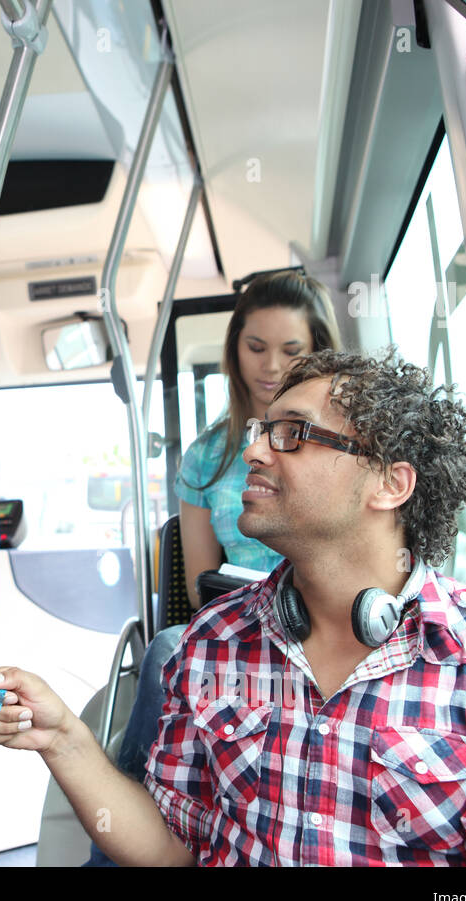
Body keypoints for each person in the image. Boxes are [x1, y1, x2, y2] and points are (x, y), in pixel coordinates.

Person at [0, 350, 466, 865]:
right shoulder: (211, 642)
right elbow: (174, 848)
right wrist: (65, 739)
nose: (253, 452)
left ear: (390, 484)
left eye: (292, 435)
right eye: (259, 431)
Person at [114, 271, 340, 782]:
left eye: (291, 349)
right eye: (256, 347)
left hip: (333, 625)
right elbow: (203, 588)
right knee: (170, 647)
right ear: (234, 348)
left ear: (318, 352)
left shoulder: (342, 447)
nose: (273, 366)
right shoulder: (207, 458)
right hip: (245, 624)